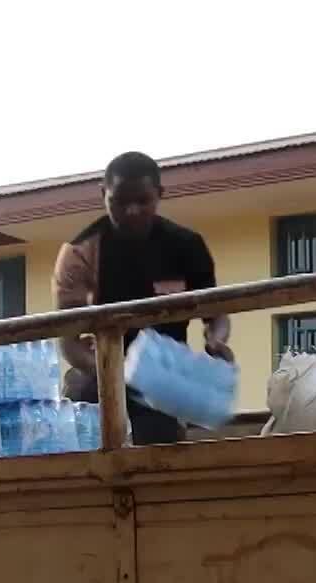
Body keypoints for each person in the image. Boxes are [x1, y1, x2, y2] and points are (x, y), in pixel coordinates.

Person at [53, 152, 231, 445]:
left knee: (158, 458)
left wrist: (217, 342)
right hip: (97, 378)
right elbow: (69, 342)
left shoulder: (188, 246)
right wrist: (113, 373)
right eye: (120, 202)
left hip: (163, 383)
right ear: (103, 195)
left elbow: (216, 314)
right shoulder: (79, 253)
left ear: (159, 195)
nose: (132, 211)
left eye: (142, 201)